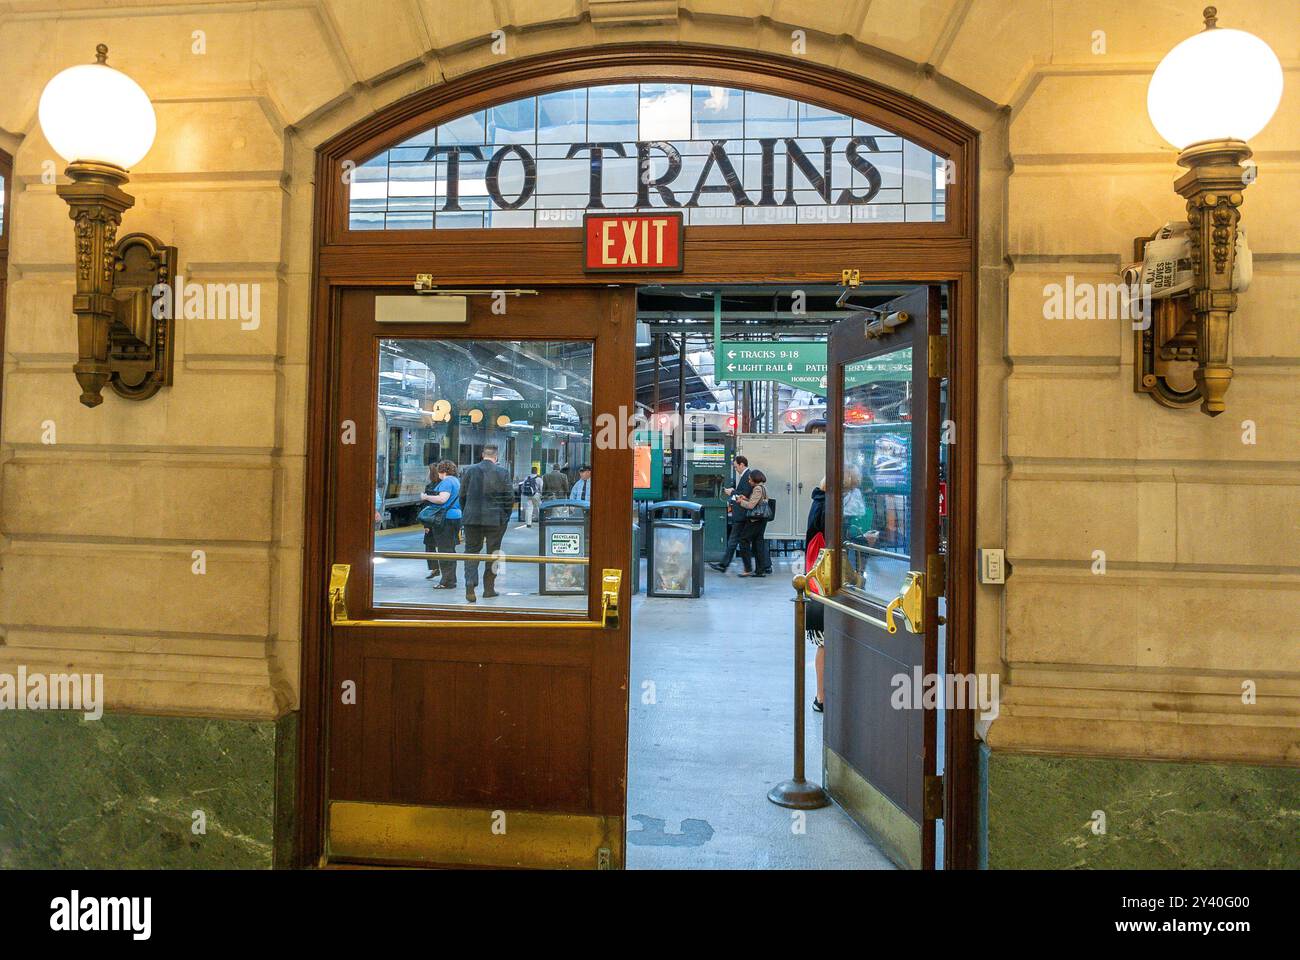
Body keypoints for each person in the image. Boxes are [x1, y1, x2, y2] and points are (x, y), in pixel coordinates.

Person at [458, 444, 513, 603]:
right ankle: (489, 589)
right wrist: (505, 516)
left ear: (483, 455)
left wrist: (467, 512)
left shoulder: (470, 470)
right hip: (495, 520)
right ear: (496, 457)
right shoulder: (503, 472)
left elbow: (462, 495)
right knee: (494, 553)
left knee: (471, 551)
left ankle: (470, 584)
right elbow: (509, 498)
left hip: (472, 518)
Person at [419, 460, 462, 589]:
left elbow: (442, 499)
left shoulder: (447, 482)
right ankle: (450, 579)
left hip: (445, 519)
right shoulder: (456, 481)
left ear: (442, 471)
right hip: (455, 517)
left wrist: (426, 497)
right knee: (450, 549)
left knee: (444, 550)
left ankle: (446, 581)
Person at [805, 476, 828, 712]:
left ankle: (821, 696)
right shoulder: (827, 508)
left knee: (823, 643)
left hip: (815, 584)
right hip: (823, 586)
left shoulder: (817, 503)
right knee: (825, 643)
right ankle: (821, 696)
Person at [711, 454, 754, 574]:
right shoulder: (745, 476)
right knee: (739, 541)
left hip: (741, 514)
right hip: (741, 513)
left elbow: (743, 494)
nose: (735, 469)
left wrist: (732, 492)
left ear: (742, 464)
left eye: (736, 467)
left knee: (734, 540)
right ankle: (747, 567)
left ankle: (725, 565)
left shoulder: (746, 476)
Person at [731, 469, 771, 578]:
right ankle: (760, 570)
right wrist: (747, 498)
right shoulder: (763, 487)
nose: (749, 481)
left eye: (750, 479)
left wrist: (740, 501)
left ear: (754, 479)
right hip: (762, 519)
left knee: (743, 540)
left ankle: (748, 568)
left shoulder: (757, 488)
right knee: (758, 543)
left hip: (755, 519)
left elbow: (751, 506)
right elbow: (756, 501)